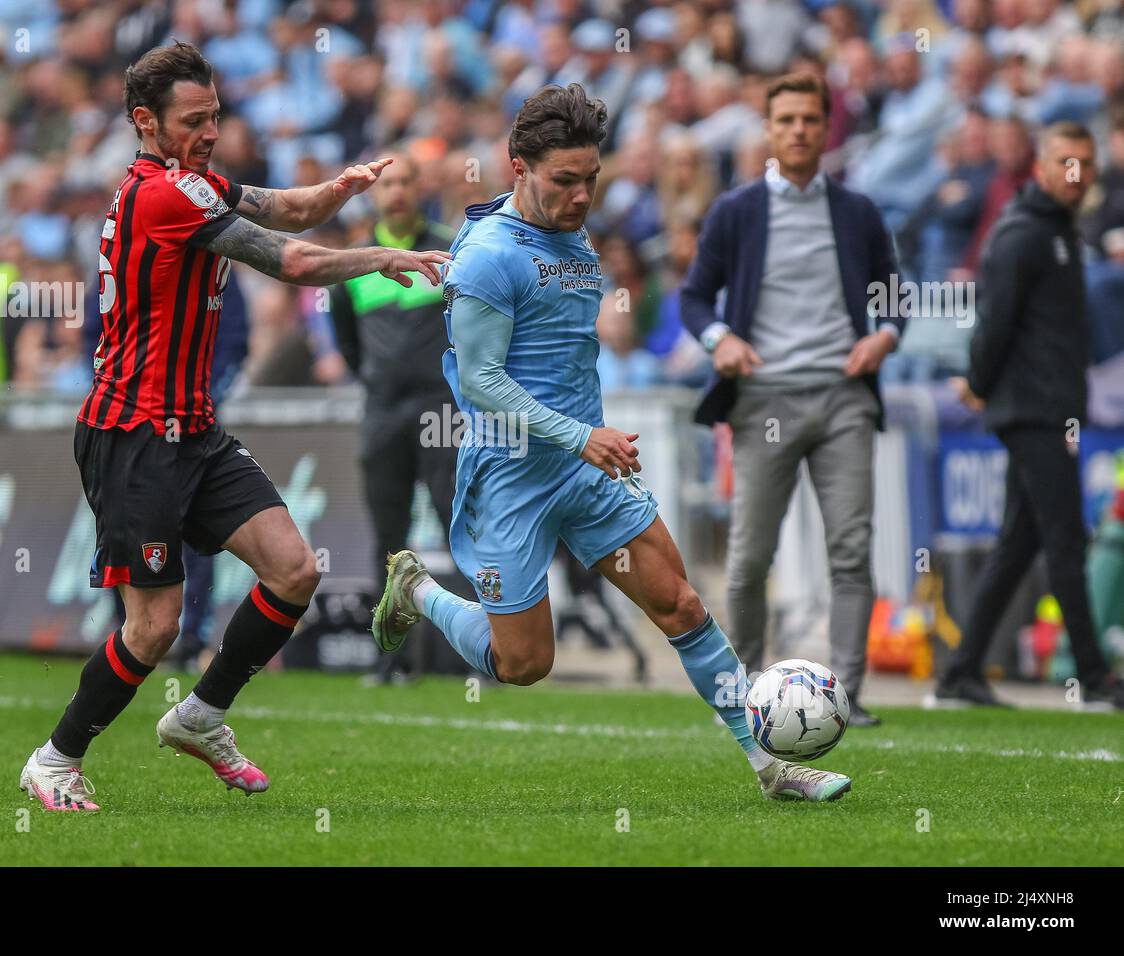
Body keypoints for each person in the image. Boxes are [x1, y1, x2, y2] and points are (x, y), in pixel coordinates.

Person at [372, 83, 852, 803]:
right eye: (564, 180)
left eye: (591, 179)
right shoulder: (488, 257)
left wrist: (583, 442)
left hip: (588, 468)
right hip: (510, 475)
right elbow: (479, 381)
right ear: (518, 169)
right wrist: (579, 435)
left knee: (680, 605)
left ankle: (771, 768)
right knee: (524, 664)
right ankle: (417, 590)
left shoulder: (573, 233)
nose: (580, 197)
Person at [18, 41, 449, 811]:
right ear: (146, 123)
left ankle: (201, 715)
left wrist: (340, 188)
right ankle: (55, 759)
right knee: (153, 629)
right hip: (134, 434)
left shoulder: (195, 182)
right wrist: (379, 256)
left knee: (294, 570)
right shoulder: (162, 196)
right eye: (194, 120)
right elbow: (292, 261)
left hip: (194, 430)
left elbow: (287, 209)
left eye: (215, 114)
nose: (211, 130)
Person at [679, 73, 905, 728]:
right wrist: (719, 339)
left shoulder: (857, 211)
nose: (799, 130)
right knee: (750, 556)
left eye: (810, 119)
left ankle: (847, 695)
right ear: (769, 130)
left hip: (843, 399)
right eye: (786, 120)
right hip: (764, 402)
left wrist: (885, 336)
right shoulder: (736, 211)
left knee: (851, 550)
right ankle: (744, 691)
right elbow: (694, 297)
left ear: (826, 127)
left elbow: (894, 294)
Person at [942, 122, 1124, 711]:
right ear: (1042, 167)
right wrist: (978, 383)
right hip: (1034, 412)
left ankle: (960, 673)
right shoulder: (1022, 233)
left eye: (1086, 163)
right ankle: (1094, 678)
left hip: (1051, 408)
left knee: (1019, 544)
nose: (1077, 174)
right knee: (1066, 539)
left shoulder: (1061, 231)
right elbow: (992, 322)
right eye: (1067, 161)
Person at [328, 154, 461, 679]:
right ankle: (392, 661)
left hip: (441, 409)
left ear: (420, 188)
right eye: (388, 184)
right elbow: (347, 343)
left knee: (461, 529)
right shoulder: (357, 262)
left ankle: (482, 653)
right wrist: (376, 381)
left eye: (406, 182)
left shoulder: (450, 250)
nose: (398, 191)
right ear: (376, 195)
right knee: (390, 538)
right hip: (383, 411)